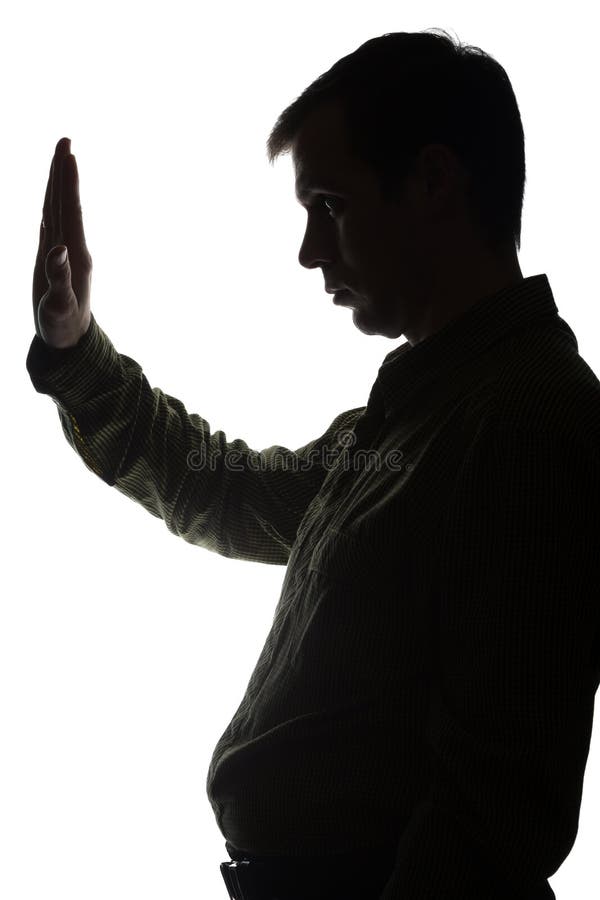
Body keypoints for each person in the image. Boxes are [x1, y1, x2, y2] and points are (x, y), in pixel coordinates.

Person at [26, 28, 600, 900]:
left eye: (329, 205)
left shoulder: (531, 418)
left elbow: (495, 810)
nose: (308, 251)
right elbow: (219, 488)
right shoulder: (406, 417)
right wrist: (75, 350)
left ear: (434, 182)